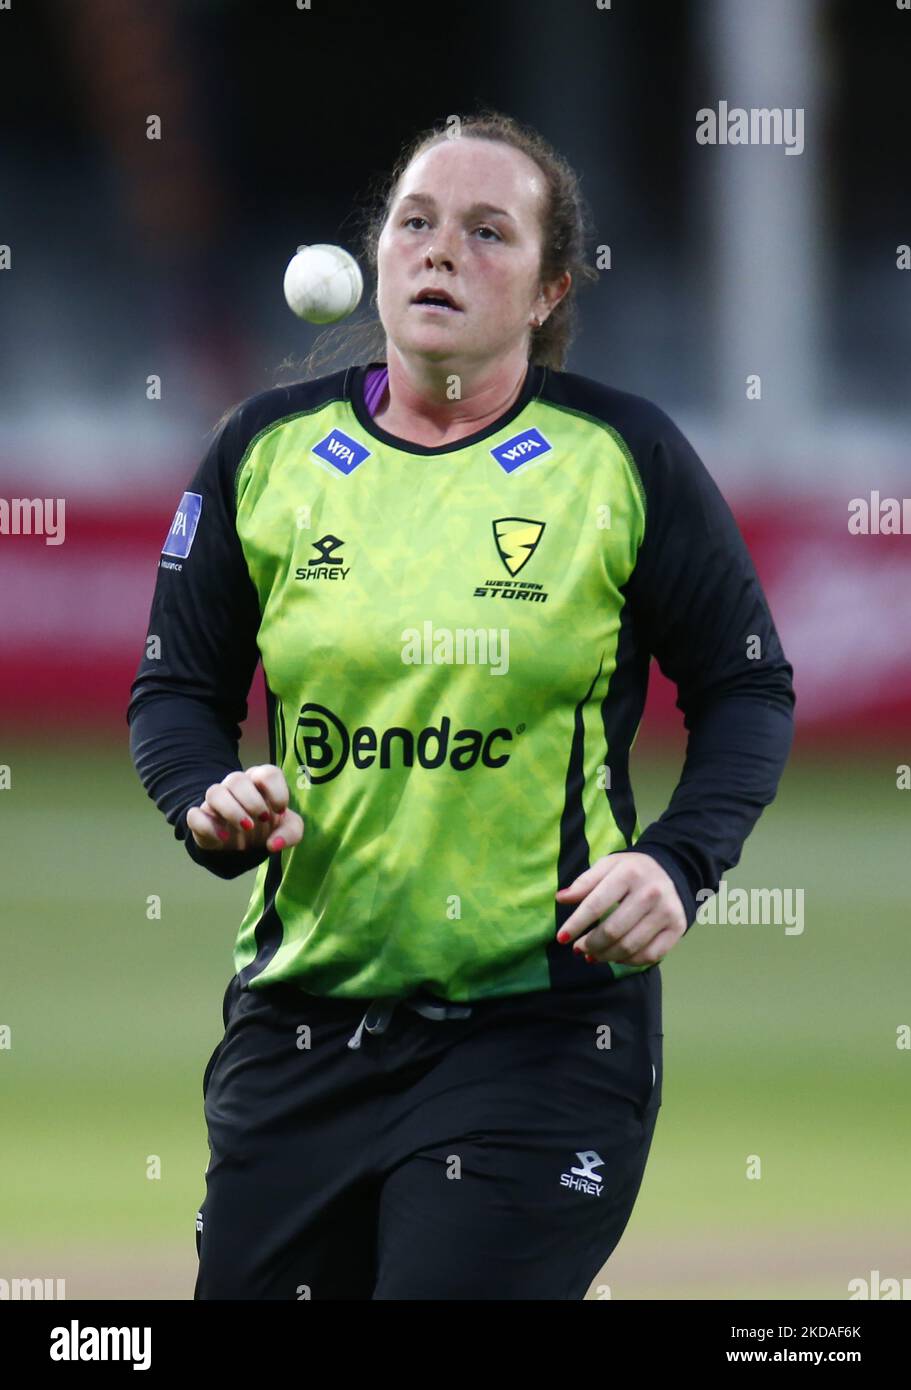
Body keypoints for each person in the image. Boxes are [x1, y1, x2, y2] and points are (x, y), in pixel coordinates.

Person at [127, 108, 795, 1301]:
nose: (439, 251)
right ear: (374, 257)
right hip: (298, 1026)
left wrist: (678, 863)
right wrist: (204, 797)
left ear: (546, 293)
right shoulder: (262, 453)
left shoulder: (619, 457)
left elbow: (746, 683)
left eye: (488, 233)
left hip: (539, 1031)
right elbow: (176, 691)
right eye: (415, 222)